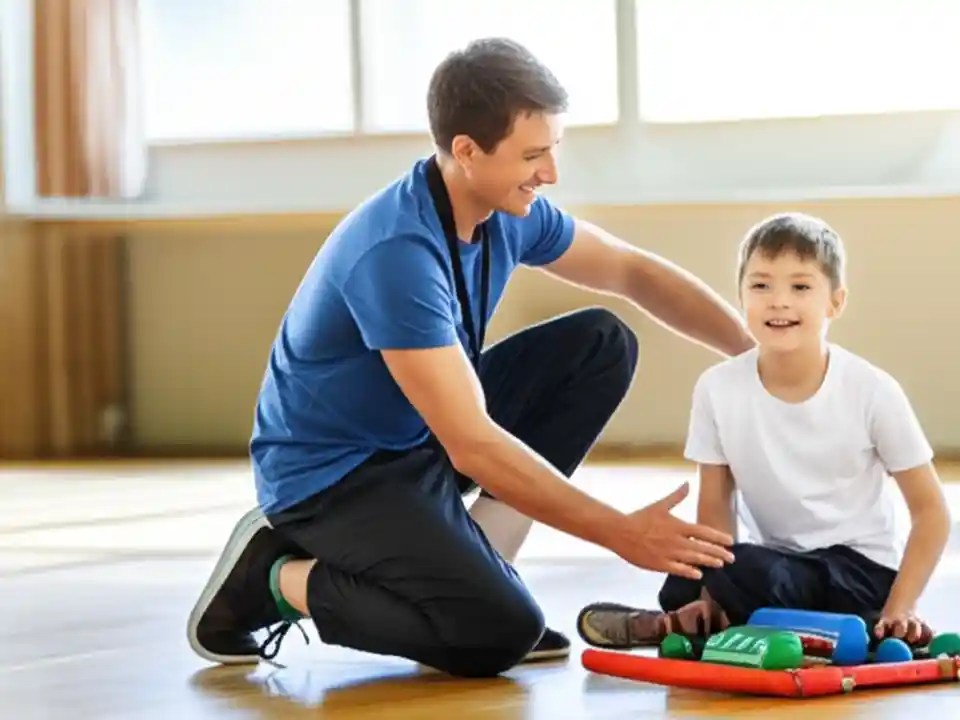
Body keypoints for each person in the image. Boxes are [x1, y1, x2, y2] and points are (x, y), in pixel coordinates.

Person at [185, 37, 754, 677]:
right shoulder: (397, 253)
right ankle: (271, 577)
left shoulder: (507, 210)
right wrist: (620, 531)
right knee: (498, 634)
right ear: (466, 151)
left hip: (415, 435)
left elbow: (630, 270)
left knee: (600, 345)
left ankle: (483, 571)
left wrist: (756, 355)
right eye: (532, 155)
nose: (550, 173)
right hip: (335, 477)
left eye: (553, 149)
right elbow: (473, 447)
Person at [576, 212, 952, 651]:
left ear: (835, 302)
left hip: (859, 572)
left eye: (800, 287)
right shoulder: (717, 388)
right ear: (741, 297)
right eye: (760, 286)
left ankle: (689, 626)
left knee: (744, 572)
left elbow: (932, 512)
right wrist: (709, 589)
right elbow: (715, 506)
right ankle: (715, 617)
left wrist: (902, 607)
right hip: (774, 566)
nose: (779, 302)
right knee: (694, 568)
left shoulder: (872, 390)